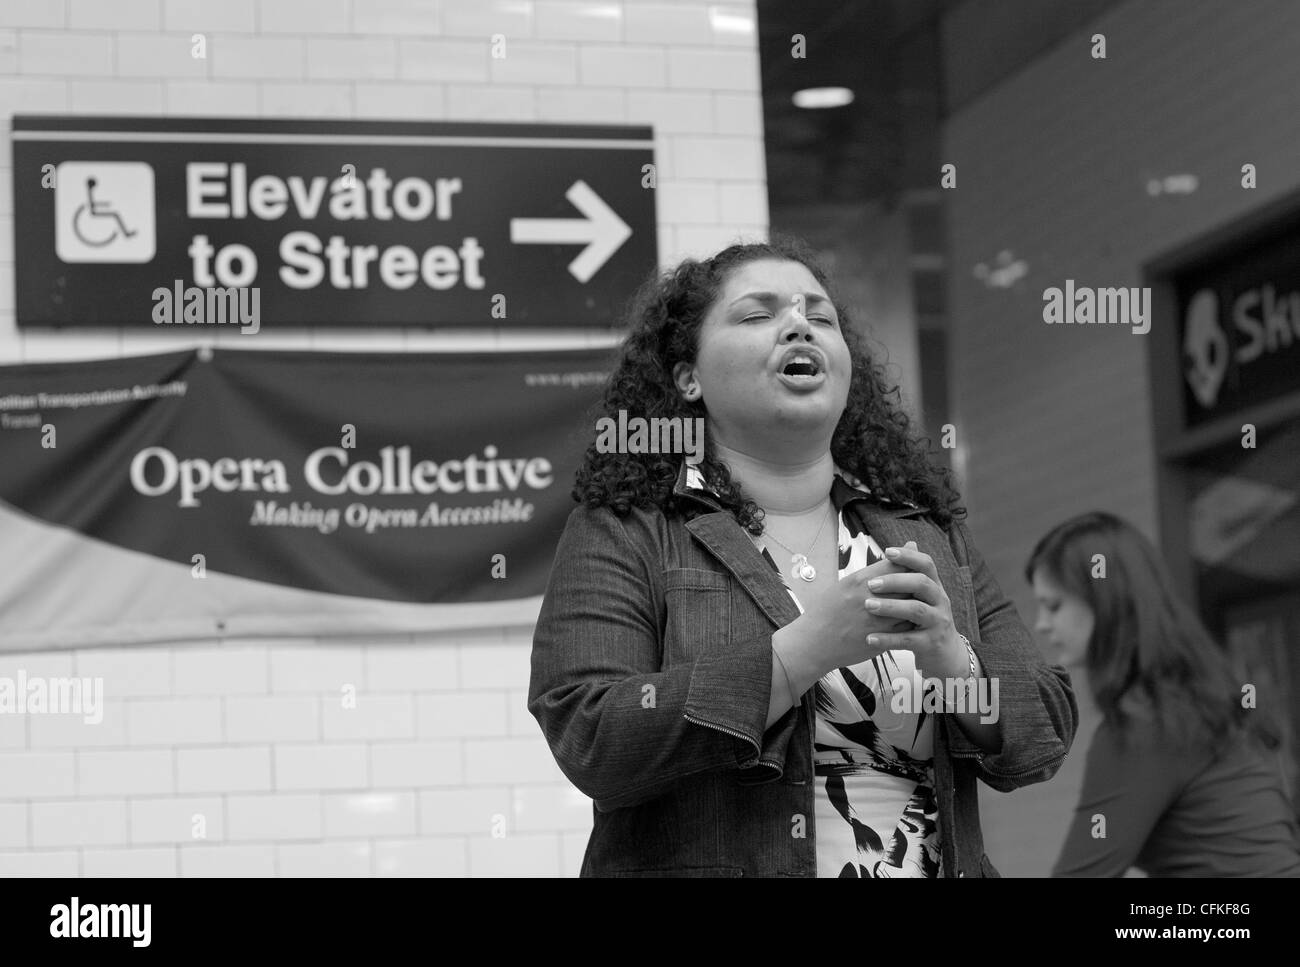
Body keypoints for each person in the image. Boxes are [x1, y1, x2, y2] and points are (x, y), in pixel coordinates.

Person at [528, 238, 1077, 877]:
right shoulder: (628, 528)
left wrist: (953, 661)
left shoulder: (924, 530)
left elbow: (1043, 728)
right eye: (758, 315)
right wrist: (799, 655)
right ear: (688, 376)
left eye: (820, 317)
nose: (797, 325)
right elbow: (589, 733)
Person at [1029, 511, 1300, 876]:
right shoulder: (1196, 703)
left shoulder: (1145, 723)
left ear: (1105, 599)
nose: (1041, 624)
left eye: (1054, 605)